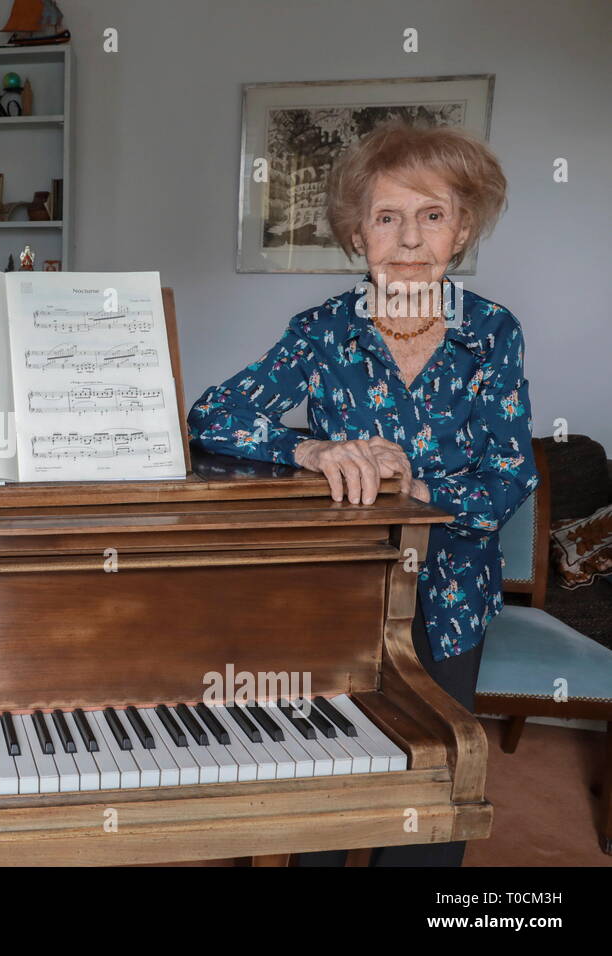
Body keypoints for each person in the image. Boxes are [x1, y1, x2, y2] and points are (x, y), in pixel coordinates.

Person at [187, 121, 538, 866]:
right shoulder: (321, 335)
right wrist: (310, 448)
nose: (409, 238)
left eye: (432, 214)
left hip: (447, 600)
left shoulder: (493, 335)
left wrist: (418, 486)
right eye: (387, 217)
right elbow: (214, 417)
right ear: (356, 236)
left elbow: (511, 477)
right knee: (331, 794)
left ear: (463, 228)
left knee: (429, 800)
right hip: (338, 602)